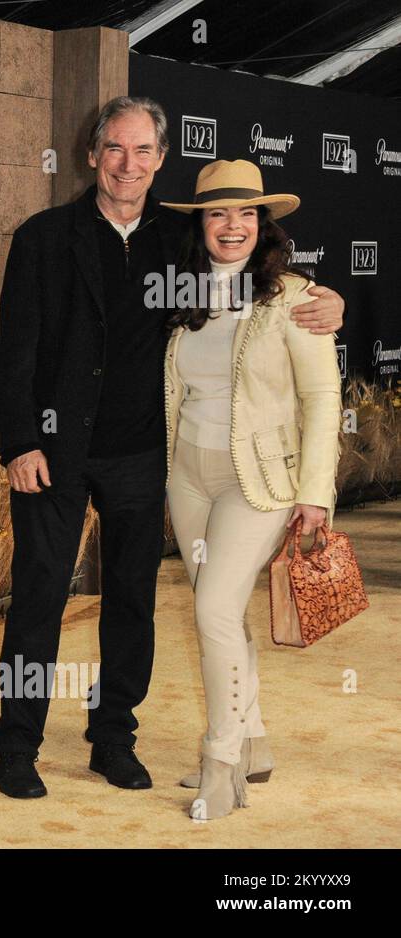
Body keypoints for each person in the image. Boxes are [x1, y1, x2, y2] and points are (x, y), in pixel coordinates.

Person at [0, 96, 344, 799]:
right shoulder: (41, 237)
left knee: (131, 600)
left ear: (160, 159)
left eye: (144, 150)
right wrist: (21, 441)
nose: (129, 163)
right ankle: (16, 746)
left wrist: (328, 303)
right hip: (53, 453)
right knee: (37, 596)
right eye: (115, 149)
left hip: (141, 455)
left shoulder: (175, 242)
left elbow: (258, 278)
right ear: (92, 155)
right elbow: (15, 350)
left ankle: (113, 737)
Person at [160, 159, 342, 820]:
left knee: (210, 612)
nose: (231, 226)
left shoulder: (295, 298)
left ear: (262, 224)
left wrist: (315, 493)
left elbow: (323, 400)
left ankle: (221, 763)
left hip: (259, 482)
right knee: (226, 614)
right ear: (200, 224)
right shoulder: (180, 293)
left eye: (245, 213)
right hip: (189, 478)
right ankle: (255, 743)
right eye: (218, 213)